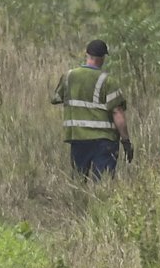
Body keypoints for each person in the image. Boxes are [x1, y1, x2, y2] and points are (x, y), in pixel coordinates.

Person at [52, 38, 129, 178]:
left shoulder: (68, 77)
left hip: (78, 137)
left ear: (87, 55)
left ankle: (78, 200)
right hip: (104, 140)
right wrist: (126, 140)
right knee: (103, 183)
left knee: (79, 181)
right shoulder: (108, 81)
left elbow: (57, 98)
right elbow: (117, 112)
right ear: (103, 58)